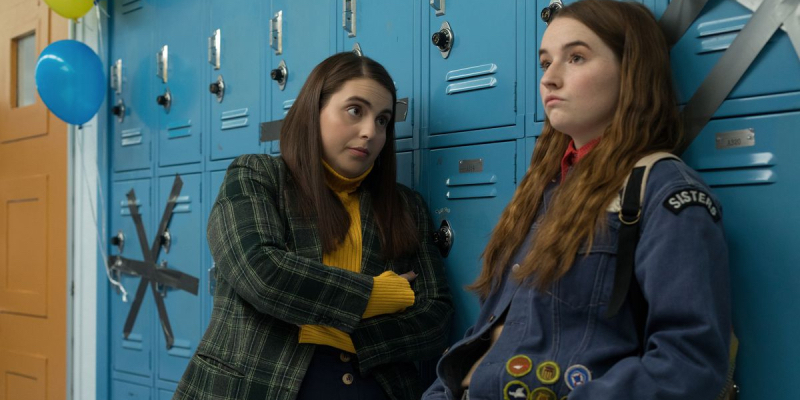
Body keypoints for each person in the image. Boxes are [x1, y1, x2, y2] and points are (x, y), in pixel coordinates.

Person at [422, 1, 731, 399]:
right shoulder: (542, 188)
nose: (550, 79)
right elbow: (492, 329)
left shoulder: (663, 190)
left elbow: (689, 364)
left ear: (631, 71)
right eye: (545, 62)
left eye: (577, 58)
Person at [174, 52, 453, 400]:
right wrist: (376, 295)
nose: (371, 131)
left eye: (382, 121)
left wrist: (351, 336)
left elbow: (436, 316)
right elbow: (262, 274)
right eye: (355, 111)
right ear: (314, 111)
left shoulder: (405, 206)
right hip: (254, 387)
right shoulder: (256, 176)